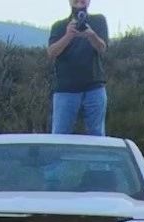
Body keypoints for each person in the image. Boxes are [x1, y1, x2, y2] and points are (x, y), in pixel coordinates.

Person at [48, 0, 110, 136]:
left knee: (97, 136)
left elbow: (102, 48)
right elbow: (52, 53)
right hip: (65, 90)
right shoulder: (59, 26)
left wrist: (91, 35)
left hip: (94, 88)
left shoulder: (99, 20)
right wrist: (68, 35)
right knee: (59, 136)